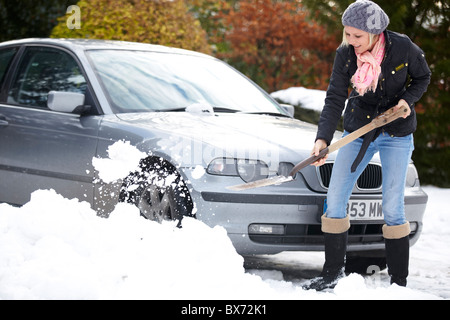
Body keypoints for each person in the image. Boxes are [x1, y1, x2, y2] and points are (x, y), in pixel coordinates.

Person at [304, 0, 431, 291]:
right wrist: (322, 139)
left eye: (357, 36)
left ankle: (399, 283)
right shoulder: (345, 55)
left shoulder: (403, 47)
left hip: (396, 134)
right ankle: (332, 274)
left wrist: (406, 101)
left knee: (393, 206)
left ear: (375, 33)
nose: (351, 42)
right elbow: (335, 96)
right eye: (347, 34)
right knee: (334, 199)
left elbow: (422, 77)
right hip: (359, 130)